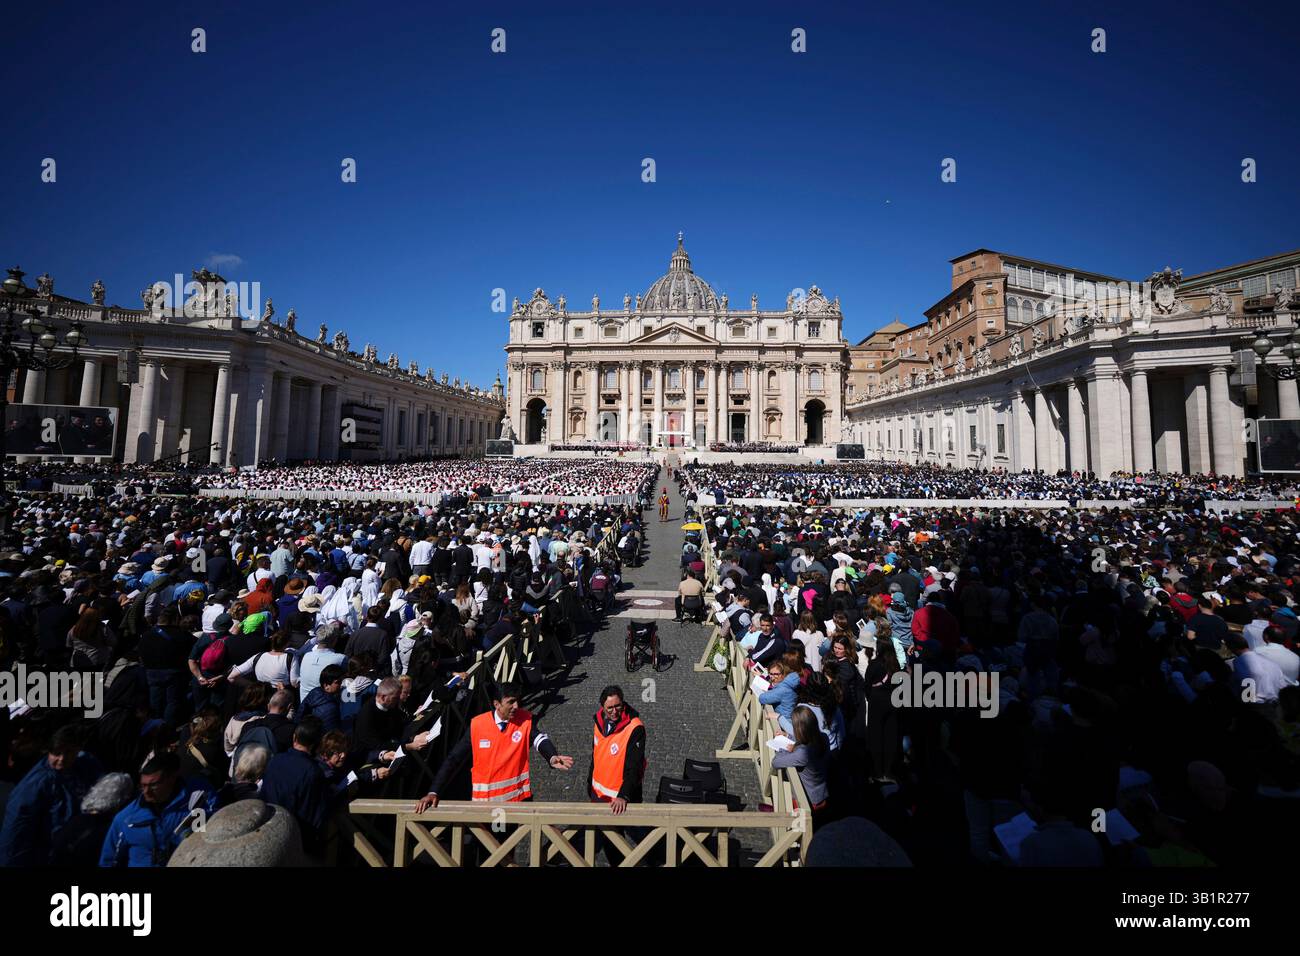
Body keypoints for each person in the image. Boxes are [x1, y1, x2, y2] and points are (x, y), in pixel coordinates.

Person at [414, 681, 573, 811]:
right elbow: (453, 759)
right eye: (511, 702)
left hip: (517, 799)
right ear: (497, 704)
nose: (516, 706)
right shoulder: (478, 725)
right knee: (490, 845)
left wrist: (551, 756)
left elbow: (539, 739)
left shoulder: (525, 720)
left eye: (518, 701)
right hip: (485, 803)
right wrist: (433, 791)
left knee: (508, 844)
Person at [0, 725, 104, 866]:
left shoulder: (85, 766)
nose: (62, 759)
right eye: (56, 753)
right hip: (50, 855)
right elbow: (16, 829)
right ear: (48, 751)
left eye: (68, 752)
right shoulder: (35, 785)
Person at [99, 751, 216, 867]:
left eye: (153, 785)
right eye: (143, 785)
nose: (146, 792)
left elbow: (213, 822)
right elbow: (108, 861)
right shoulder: (126, 819)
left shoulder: (198, 798)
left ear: (172, 778)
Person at [260, 717, 331, 855]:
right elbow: (314, 817)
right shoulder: (313, 772)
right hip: (294, 840)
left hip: (268, 829)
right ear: (316, 745)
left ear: (294, 737)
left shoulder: (275, 760)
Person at [588, 686, 646, 813]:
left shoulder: (635, 728)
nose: (614, 711)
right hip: (598, 795)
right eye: (610, 708)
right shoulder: (598, 723)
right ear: (602, 707)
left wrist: (623, 796)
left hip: (620, 801)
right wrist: (589, 785)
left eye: (618, 706)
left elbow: (635, 766)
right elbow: (595, 756)